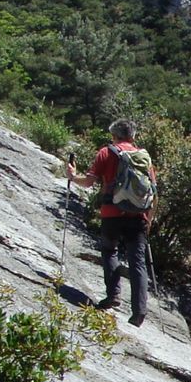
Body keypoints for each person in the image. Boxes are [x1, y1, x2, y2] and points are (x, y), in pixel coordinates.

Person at [67, 119, 154, 326]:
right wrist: (148, 220)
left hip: (112, 213)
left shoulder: (106, 153)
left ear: (113, 135)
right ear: (132, 136)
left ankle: (113, 295)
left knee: (110, 251)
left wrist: (71, 176)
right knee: (138, 262)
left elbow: (88, 182)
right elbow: (153, 191)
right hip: (138, 216)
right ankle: (139, 311)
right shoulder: (144, 158)